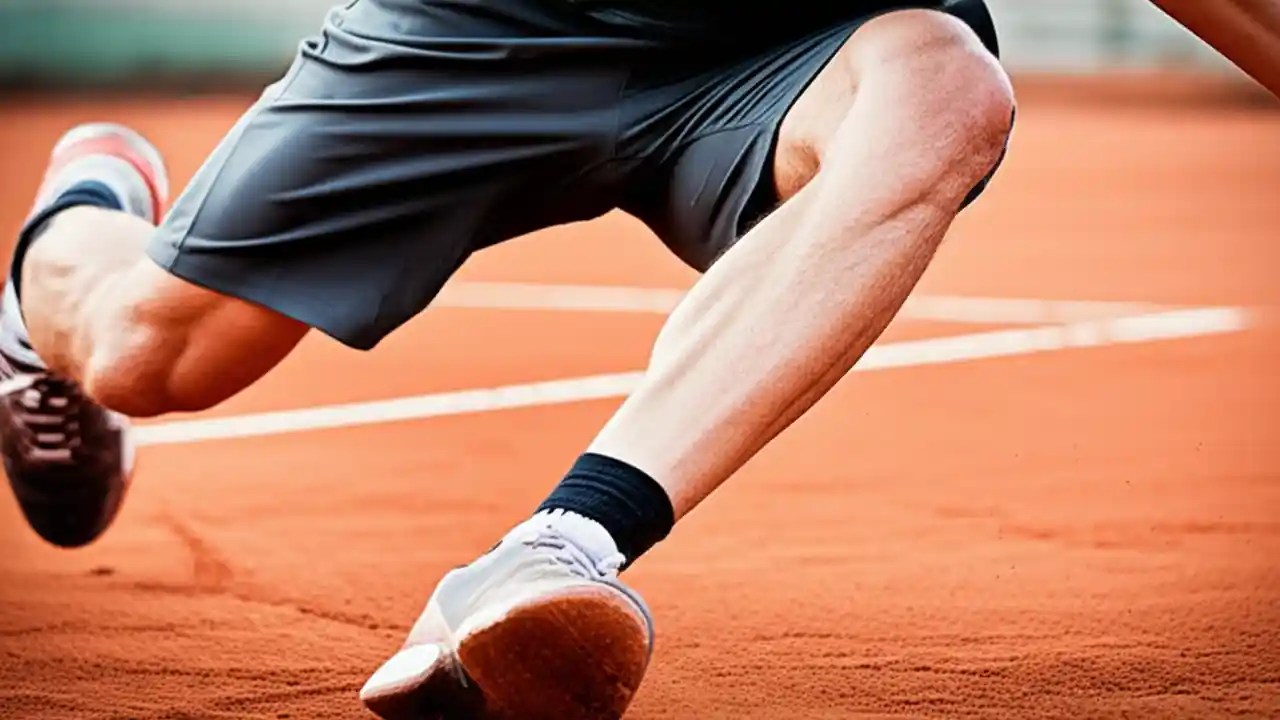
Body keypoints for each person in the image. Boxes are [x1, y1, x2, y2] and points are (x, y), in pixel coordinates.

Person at [0, 1, 1273, 718]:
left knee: (943, 90)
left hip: (794, 32)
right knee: (147, 355)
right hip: (491, 22)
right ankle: (74, 225)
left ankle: (561, 543)